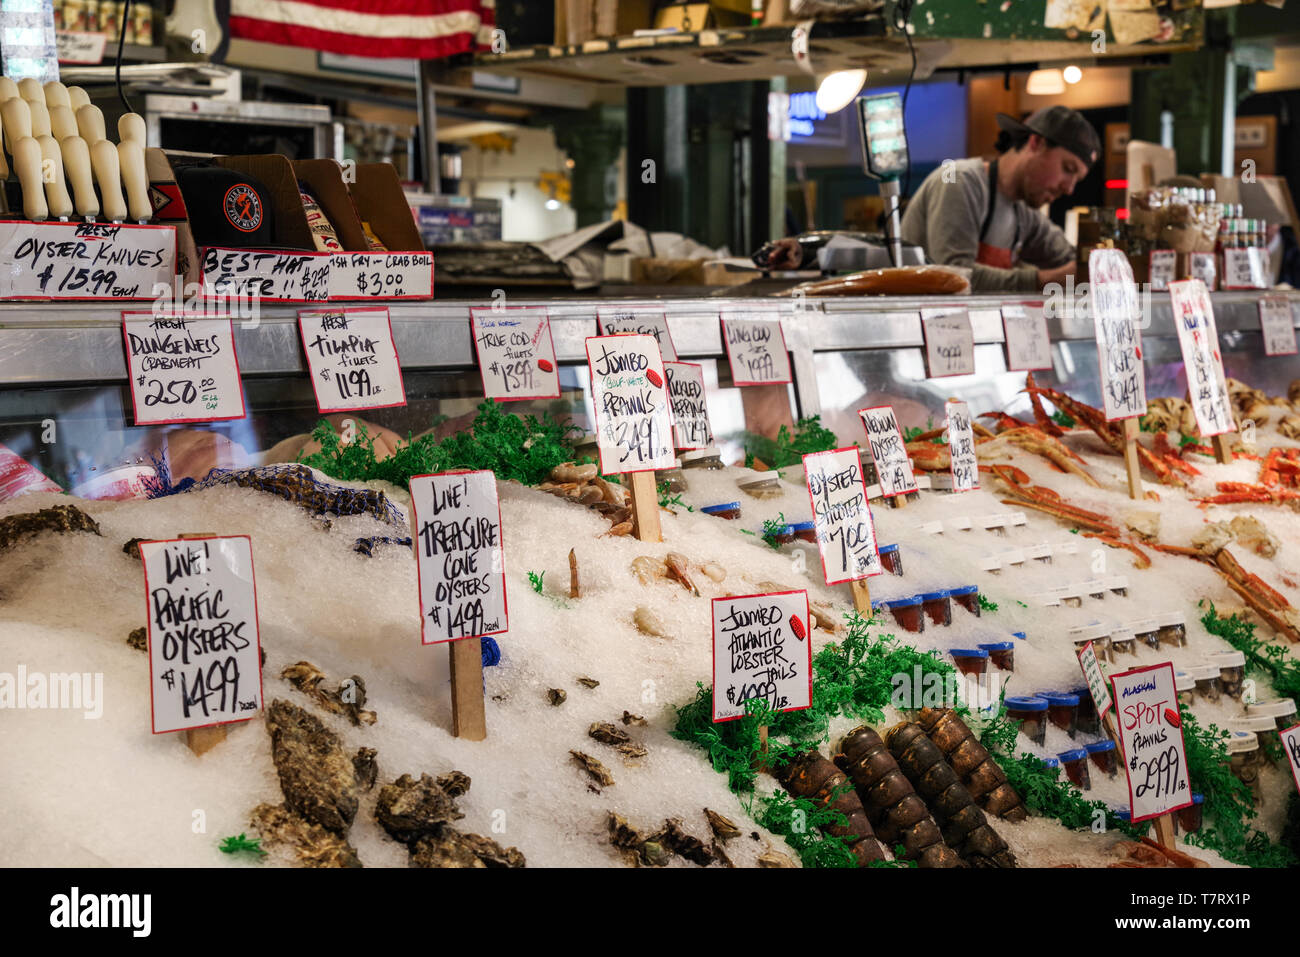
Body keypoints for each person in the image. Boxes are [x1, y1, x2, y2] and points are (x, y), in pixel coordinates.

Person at [760, 106, 1100, 294]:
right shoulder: (959, 180)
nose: (1070, 188)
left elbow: (1075, 264)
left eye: (1078, 179)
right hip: (912, 343)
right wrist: (1045, 280)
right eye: (1068, 169)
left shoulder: (1025, 214)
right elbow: (953, 276)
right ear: (1036, 144)